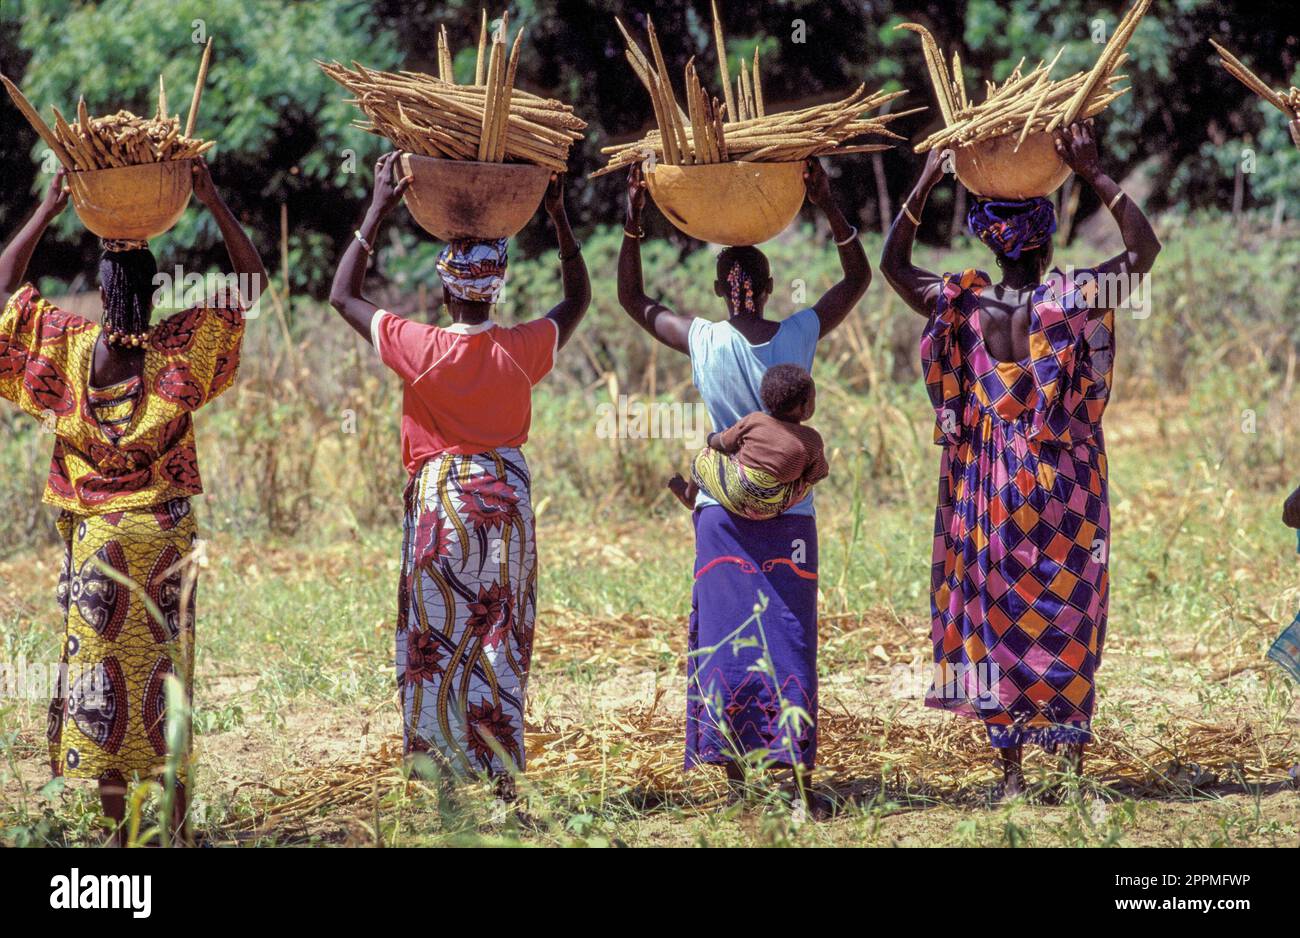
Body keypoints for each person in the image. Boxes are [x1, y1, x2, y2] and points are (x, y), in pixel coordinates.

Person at [879, 119, 1161, 799]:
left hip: (987, 483)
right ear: (1048, 234)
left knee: (994, 614)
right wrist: (1093, 171)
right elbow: (1144, 250)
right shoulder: (1070, 299)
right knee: (1069, 611)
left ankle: (1008, 774)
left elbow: (891, 265)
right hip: (1065, 483)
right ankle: (1067, 766)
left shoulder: (964, 304)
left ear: (988, 237)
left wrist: (924, 179)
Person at [0, 160, 265, 844]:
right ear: (156, 295)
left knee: (105, 689)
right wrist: (210, 196)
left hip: (99, 546)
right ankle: (172, 834)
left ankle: (122, 841)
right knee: (165, 683)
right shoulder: (180, 350)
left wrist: (49, 208)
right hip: (165, 541)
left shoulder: (66, 348)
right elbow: (251, 285)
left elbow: (1, 288)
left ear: (97, 290)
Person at [328, 152, 589, 797]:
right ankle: (500, 773)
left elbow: (341, 295)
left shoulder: (423, 349)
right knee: (498, 629)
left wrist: (378, 207)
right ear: (496, 285)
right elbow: (578, 297)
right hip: (506, 498)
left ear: (446, 288)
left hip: (444, 503)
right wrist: (557, 217)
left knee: (437, 629)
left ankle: (440, 773)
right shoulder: (522, 349)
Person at [618, 157, 868, 814]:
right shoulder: (798, 334)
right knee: (789, 637)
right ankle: (798, 787)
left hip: (720, 517)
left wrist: (634, 224)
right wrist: (828, 201)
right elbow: (858, 277)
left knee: (727, 639)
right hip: (791, 519)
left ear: (720, 286)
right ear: (767, 284)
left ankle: (737, 784)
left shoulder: (703, 339)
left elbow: (633, 302)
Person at [667, 363, 828, 520]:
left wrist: (710, 439)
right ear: (805, 405)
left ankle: (689, 496)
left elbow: (724, 443)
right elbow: (818, 474)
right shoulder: (811, 439)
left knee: (705, 456)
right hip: (774, 506)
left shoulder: (755, 421)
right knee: (805, 478)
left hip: (737, 495)